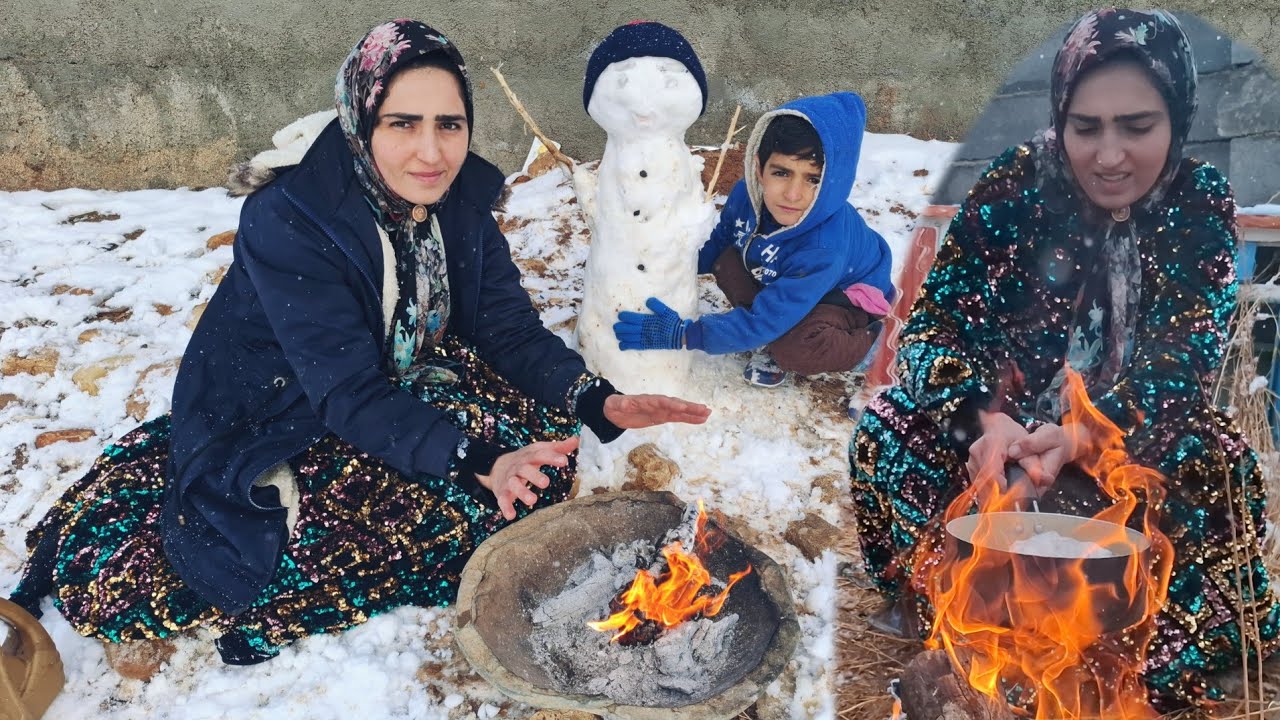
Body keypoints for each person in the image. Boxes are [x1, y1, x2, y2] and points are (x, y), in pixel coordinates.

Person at [7, 19, 709, 666]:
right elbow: (346, 392)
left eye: (450, 124)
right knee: (436, 514)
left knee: (546, 447)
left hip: (395, 376)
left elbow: (505, 327)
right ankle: (270, 602)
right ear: (360, 118)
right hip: (286, 410)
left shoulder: (454, 196)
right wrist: (476, 460)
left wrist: (595, 398)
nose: (431, 152)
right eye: (402, 124)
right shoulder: (292, 223)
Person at [849, 8, 1280, 709]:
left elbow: (1187, 358)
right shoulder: (1012, 189)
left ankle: (1154, 654)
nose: (1110, 155)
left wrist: (1085, 433)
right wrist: (981, 424)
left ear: (1177, 118)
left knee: (1218, 455)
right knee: (888, 425)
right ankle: (956, 614)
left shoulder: (1199, 200)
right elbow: (932, 329)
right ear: (1061, 116)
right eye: (1087, 128)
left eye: (1137, 127)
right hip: (1006, 451)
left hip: (1122, 446)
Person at [613, 93, 895, 389]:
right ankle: (775, 332)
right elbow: (719, 241)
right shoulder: (746, 196)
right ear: (760, 168)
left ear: (835, 181)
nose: (793, 194)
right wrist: (662, 264)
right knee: (727, 261)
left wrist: (684, 334)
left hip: (844, 297)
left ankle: (875, 347)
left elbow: (765, 318)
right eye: (782, 173)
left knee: (795, 348)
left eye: (813, 179)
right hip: (789, 279)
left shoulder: (824, 246)